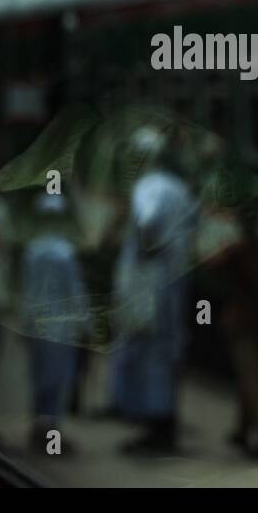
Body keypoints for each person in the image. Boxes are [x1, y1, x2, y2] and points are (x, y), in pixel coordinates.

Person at [108, 127, 200, 455]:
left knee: (149, 355)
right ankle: (166, 426)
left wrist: (145, 258)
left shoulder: (147, 187)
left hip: (150, 285)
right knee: (169, 351)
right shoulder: (179, 188)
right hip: (175, 282)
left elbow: (147, 224)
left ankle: (155, 430)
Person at [210, 203, 258, 460]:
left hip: (242, 323)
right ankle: (243, 428)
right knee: (250, 376)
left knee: (251, 380)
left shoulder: (237, 251)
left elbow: (212, 266)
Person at [20, 193, 89, 450]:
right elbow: (75, 292)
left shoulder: (33, 251)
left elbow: (27, 291)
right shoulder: (65, 253)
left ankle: (39, 430)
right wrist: (85, 324)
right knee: (57, 380)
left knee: (40, 378)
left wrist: (25, 323)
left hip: (38, 323)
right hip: (60, 326)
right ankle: (51, 436)